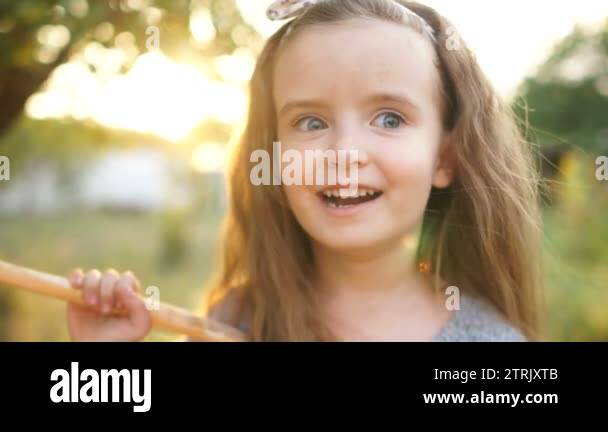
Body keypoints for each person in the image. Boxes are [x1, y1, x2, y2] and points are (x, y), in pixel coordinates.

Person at [66, 0, 543, 342]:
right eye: (310, 122)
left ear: (444, 158)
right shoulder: (237, 322)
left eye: (389, 119)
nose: (344, 152)